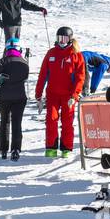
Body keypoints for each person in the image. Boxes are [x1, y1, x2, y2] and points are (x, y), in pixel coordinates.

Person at [35, 25, 85, 158]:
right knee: (51, 120)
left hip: (68, 97)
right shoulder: (51, 53)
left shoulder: (76, 55)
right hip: (52, 94)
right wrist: (38, 96)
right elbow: (42, 75)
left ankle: (66, 149)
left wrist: (75, 95)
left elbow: (80, 78)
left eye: (64, 38)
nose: (62, 41)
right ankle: (51, 148)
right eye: (59, 38)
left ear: (70, 39)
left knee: (67, 122)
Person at [0, 38, 29, 160]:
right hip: (20, 97)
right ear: (19, 49)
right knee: (17, 122)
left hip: (4, 97)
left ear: (6, 48)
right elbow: (25, 77)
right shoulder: (24, 62)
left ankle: (3, 149)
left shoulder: (1, 62)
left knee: (4, 122)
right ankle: (16, 149)